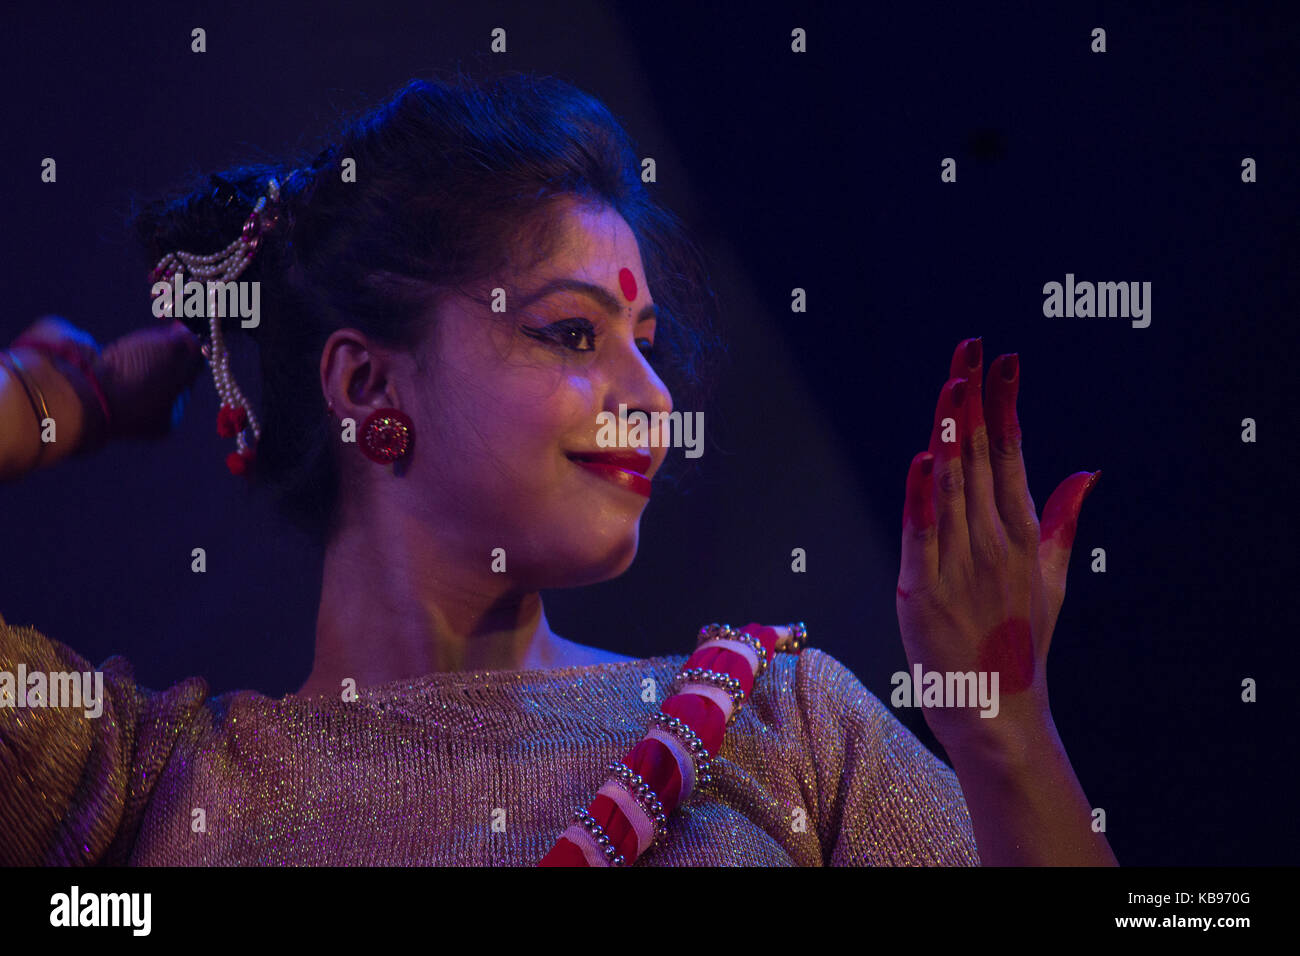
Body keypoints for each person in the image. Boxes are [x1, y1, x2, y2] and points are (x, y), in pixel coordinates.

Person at [0, 72, 1116, 866]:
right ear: (367, 386)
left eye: (645, 342)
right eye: (572, 333)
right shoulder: (137, 786)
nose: (656, 398)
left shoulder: (778, 719)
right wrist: (64, 404)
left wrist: (1005, 731)